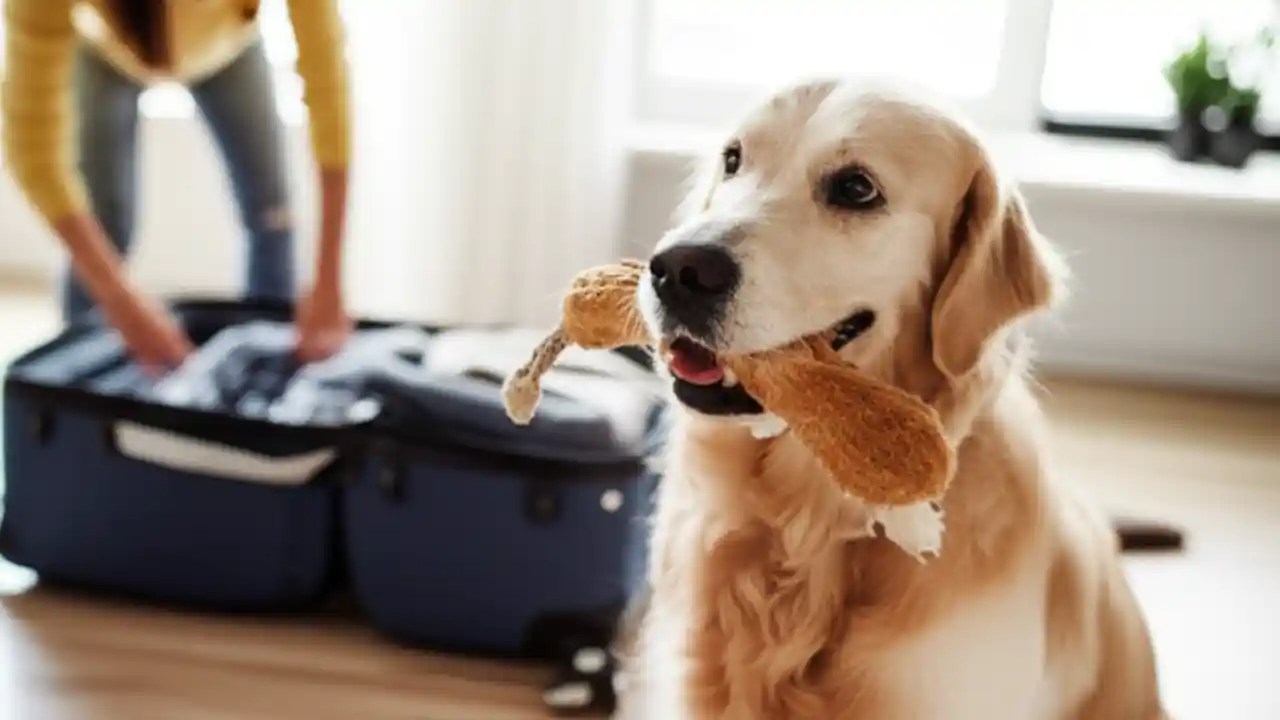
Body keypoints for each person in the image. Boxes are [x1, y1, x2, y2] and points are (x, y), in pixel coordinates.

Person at [1, 0, 352, 366]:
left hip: (228, 48)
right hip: (105, 53)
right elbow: (33, 148)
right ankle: (73, 382)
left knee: (273, 217)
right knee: (105, 228)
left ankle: (268, 370)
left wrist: (329, 278)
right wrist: (120, 302)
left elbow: (327, 81)